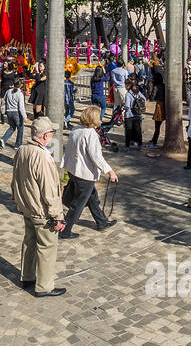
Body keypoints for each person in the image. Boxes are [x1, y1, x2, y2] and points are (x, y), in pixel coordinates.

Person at [10, 128, 65, 297]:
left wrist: (17, 201)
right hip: (41, 211)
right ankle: (44, 287)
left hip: (27, 207)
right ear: (45, 136)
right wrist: (57, 216)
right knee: (47, 247)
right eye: (51, 136)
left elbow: (15, 179)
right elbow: (49, 190)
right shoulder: (42, 156)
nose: (51, 139)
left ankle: (27, 278)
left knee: (30, 242)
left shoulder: (21, 149)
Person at [62, 103, 117, 235]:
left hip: (74, 170)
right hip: (84, 174)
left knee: (92, 197)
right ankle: (65, 231)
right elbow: (96, 157)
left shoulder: (75, 129)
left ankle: (102, 222)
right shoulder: (91, 135)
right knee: (78, 204)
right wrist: (110, 171)